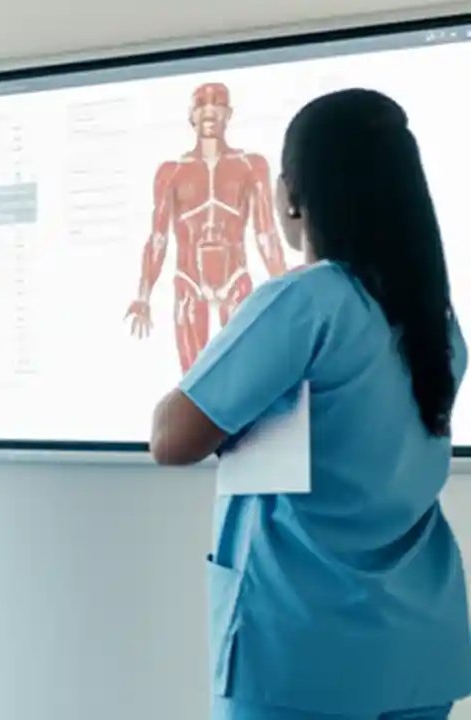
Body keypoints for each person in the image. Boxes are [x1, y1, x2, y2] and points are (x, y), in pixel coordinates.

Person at [148, 88, 471, 720]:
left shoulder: (303, 302)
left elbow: (172, 438)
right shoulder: (437, 318)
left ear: (292, 194)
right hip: (417, 645)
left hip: (302, 648)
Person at [126, 82, 289, 374]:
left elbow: (265, 233)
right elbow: (158, 238)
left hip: (234, 278)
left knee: (242, 375)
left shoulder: (250, 165)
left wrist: (286, 287)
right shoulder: (171, 172)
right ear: (192, 115)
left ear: (229, 114)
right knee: (192, 380)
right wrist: (143, 295)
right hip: (189, 281)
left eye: (217, 105)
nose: (209, 111)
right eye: (202, 105)